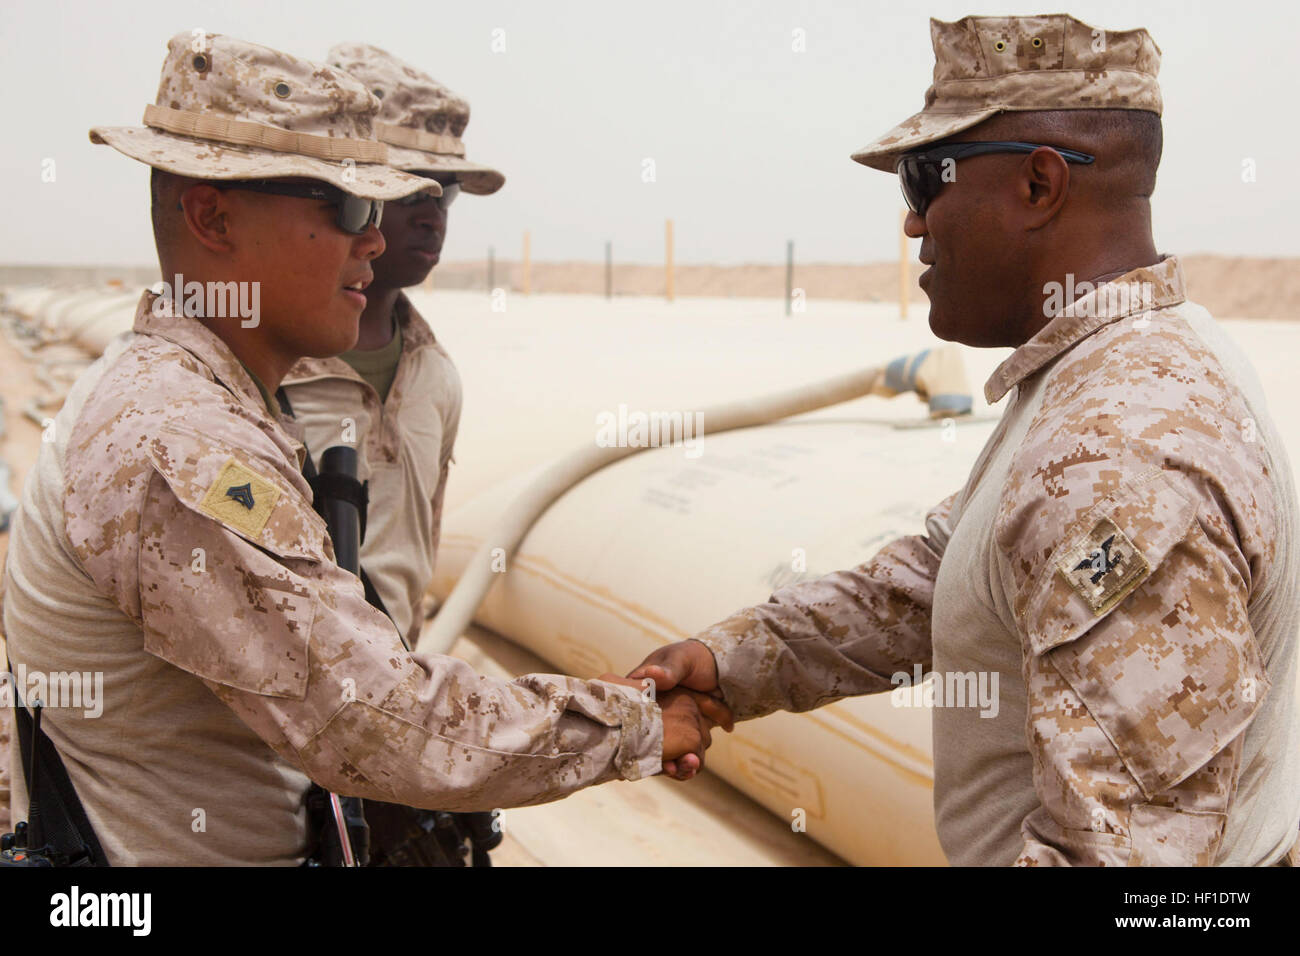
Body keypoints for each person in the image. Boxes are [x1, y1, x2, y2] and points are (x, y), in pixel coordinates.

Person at [2, 32, 726, 866]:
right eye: (345, 208)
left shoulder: (212, 401)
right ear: (212, 215)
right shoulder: (179, 438)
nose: (375, 240)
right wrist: (634, 723)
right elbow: (367, 715)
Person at [629, 13, 1300, 866]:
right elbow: (943, 578)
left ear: (1038, 186)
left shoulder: (1118, 454)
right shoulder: (1117, 368)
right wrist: (733, 663)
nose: (913, 225)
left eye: (922, 182)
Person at [279, 42, 501, 653]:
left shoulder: (434, 375)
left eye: (445, 194)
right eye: (410, 190)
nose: (434, 216)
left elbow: (413, 562)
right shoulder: (246, 367)